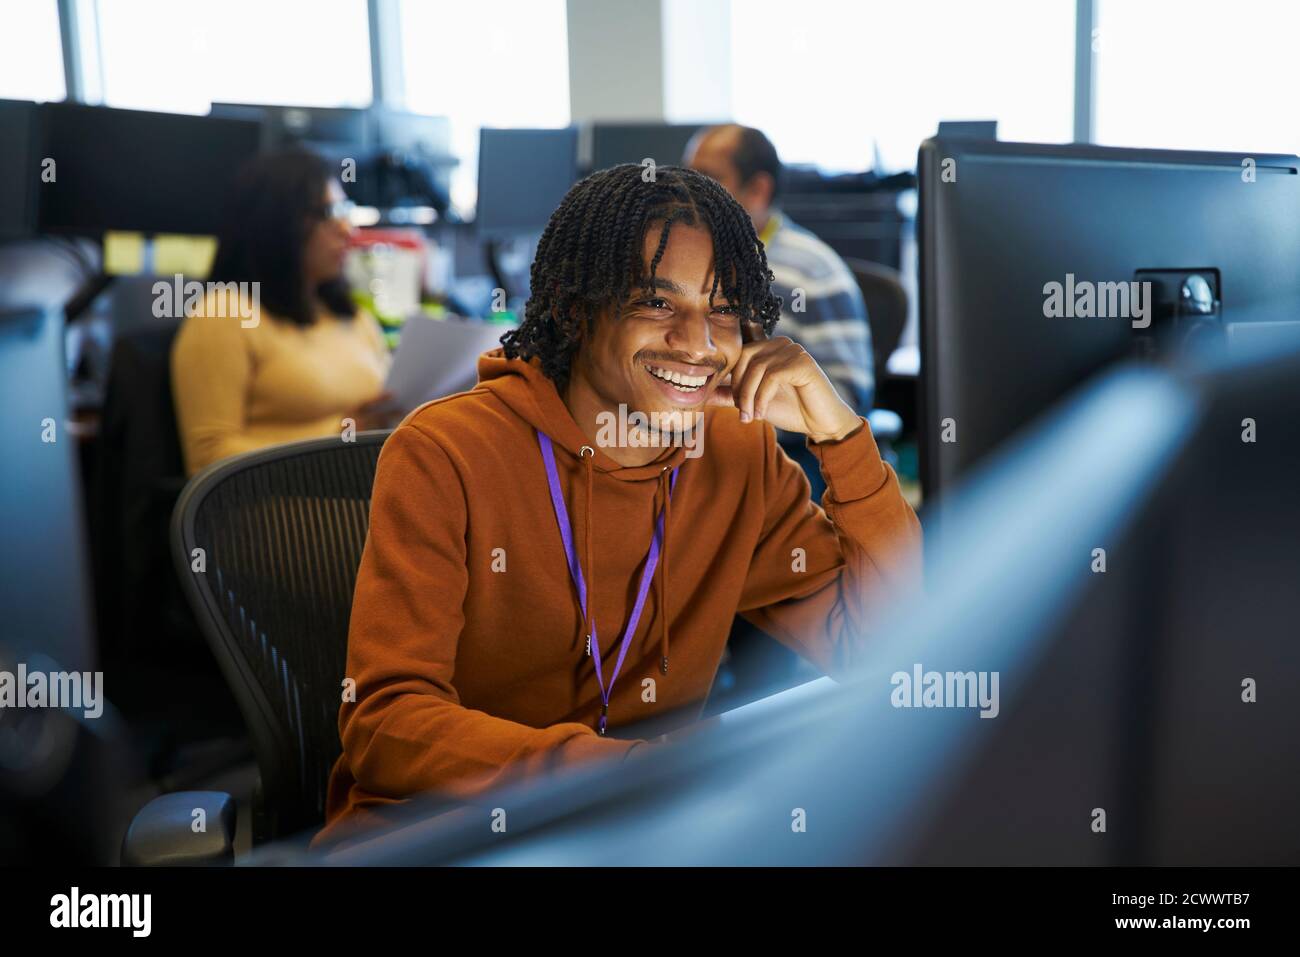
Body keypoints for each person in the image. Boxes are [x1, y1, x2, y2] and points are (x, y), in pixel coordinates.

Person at [314, 164, 921, 848]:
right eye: (657, 303)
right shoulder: (444, 452)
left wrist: (840, 436)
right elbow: (387, 726)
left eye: (721, 308)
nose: (697, 342)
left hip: (644, 825)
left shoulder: (735, 454)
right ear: (576, 307)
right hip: (447, 836)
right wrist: (618, 769)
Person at [171, 149, 395, 476]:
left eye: (345, 210)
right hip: (283, 517)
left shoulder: (352, 316)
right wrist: (335, 440)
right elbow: (208, 457)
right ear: (277, 222)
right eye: (328, 212)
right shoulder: (225, 314)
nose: (349, 230)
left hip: (362, 497)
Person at [685, 124, 874, 501]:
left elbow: (850, 401)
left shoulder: (812, 270)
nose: (691, 194)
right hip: (703, 437)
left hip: (789, 450)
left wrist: (765, 405)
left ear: (758, 190)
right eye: (688, 178)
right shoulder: (687, 259)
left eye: (708, 180)